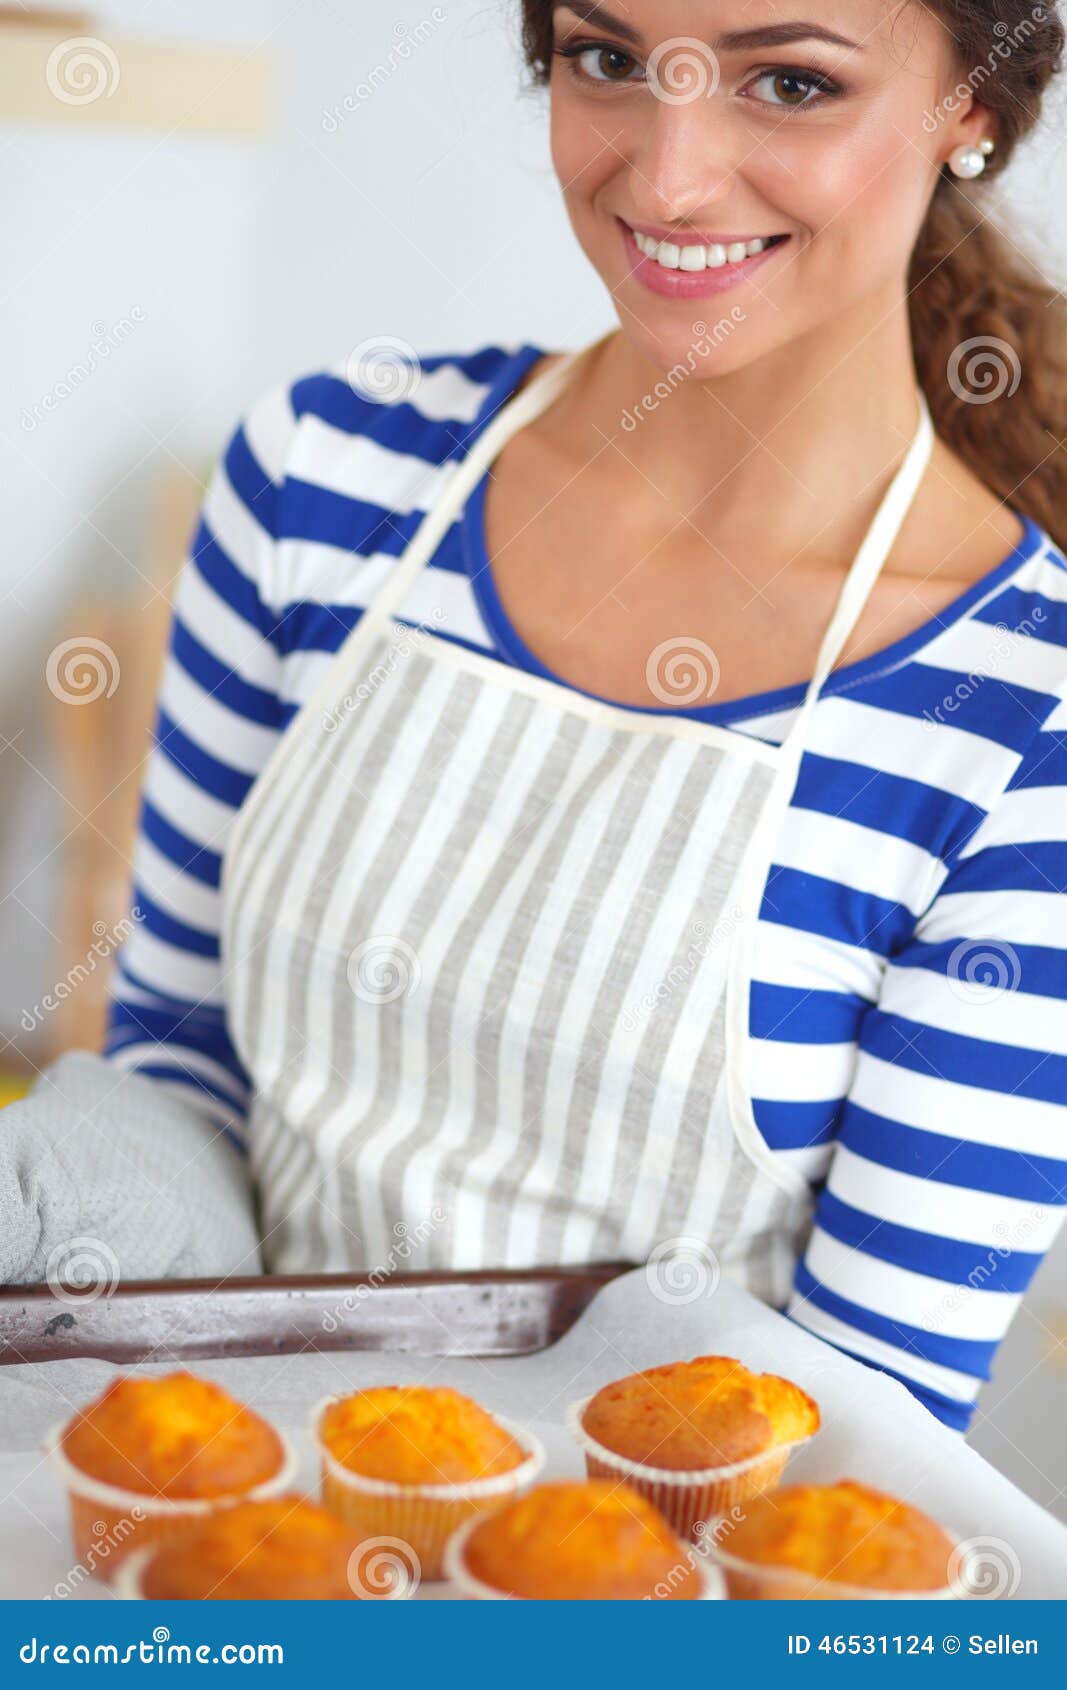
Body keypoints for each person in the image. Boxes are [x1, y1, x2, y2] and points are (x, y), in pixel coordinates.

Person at [8, 1, 1067, 1435]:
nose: (669, 176)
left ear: (976, 108)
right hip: (232, 1526)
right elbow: (184, 1082)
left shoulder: (1022, 717)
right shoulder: (322, 480)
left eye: (793, 81)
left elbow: (863, 1438)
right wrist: (43, 1211)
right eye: (608, 59)